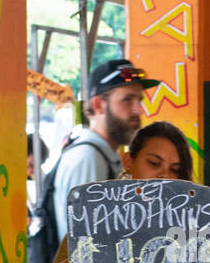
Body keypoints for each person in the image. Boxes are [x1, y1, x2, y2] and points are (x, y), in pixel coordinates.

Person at [44, 122, 210, 263]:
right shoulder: (96, 219)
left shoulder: (202, 226)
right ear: (128, 162)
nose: (164, 175)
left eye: (175, 170)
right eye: (154, 163)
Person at [47, 58, 158, 243]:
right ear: (98, 105)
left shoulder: (102, 154)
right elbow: (86, 250)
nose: (139, 110)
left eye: (139, 100)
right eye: (127, 100)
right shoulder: (88, 159)